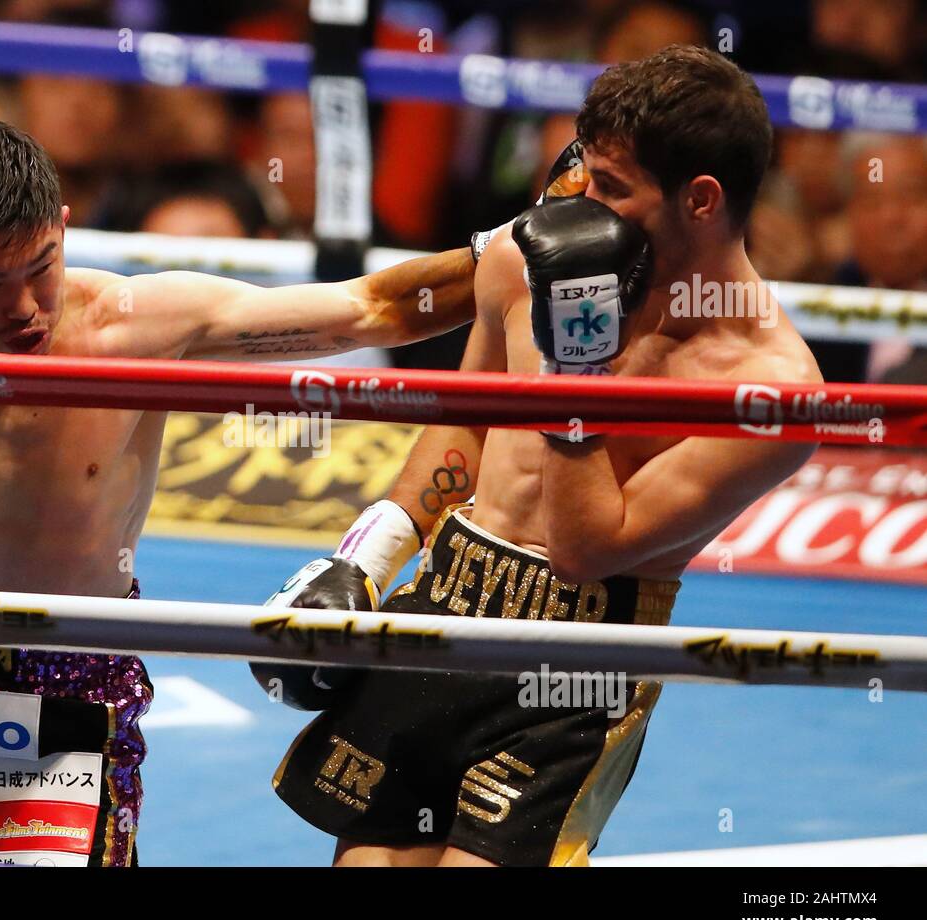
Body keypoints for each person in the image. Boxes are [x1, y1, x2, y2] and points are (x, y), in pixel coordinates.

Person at [0, 118, 479, 866]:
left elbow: (367, 308)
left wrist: (507, 256)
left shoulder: (135, 325)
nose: (24, 308)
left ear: (65, 227)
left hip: (65, 685)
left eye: (40, 267)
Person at [257, 45, 824, 867]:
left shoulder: (770, 389)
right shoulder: (529, 261)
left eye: (614, 190)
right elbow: (468, 421)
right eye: (585, 176)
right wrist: (369, 557)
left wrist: (572, 373)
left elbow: (590, 544)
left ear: (701, 200)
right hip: (448, 602)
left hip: (579, 665)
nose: (581, 209)